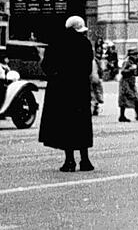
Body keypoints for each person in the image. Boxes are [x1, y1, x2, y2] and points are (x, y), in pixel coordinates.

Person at [38, 15, 95, 172]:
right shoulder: (85, 43)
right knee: (81, 124)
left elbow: (46, 66)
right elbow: (88, 68)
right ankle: (85, 160)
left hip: (61, 89)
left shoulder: (56, 43)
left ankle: (69, 161)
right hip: (80, 89)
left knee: (65, 124)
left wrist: (57, 75)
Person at [117, 48, 138, 122]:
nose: (136, 56)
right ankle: (122, 116)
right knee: (124, 98)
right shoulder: (127, 62)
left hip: (131, 82)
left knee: (136, 97)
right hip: (125, 82)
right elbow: (122, 71)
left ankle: (137, 114)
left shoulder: (136, 62)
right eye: (135, 54)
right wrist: (130, 69)